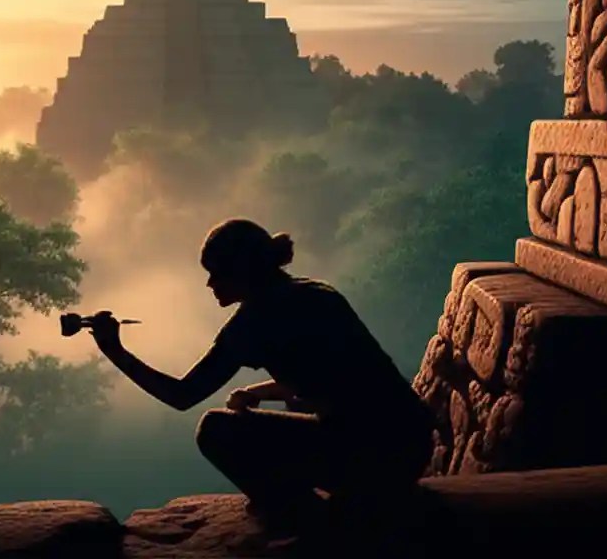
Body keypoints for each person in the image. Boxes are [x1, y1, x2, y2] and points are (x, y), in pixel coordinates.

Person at [76, 218, 433, 533]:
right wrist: (257, 393)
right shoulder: (316, 293)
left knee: (215, 429)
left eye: (216, 272)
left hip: (373, 459)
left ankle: (306, 520)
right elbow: (334, 380)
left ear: (243, 271)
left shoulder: (253, 322)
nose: (210, 283)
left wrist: (115, 351)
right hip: (410, 445)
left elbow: (182, 395)